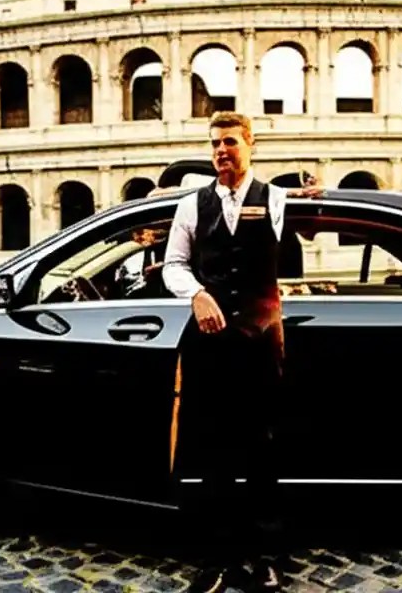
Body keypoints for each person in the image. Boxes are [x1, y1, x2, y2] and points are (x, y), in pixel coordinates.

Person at [162, 112, 322, 593]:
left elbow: (314, 226)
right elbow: (173, 264)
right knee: (211, 453)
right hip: (209, 344)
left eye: (230, 142)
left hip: (261, 342)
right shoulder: (192, 205)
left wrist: (314, 192)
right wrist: (195, 293)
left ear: (250, 144)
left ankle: (266, 560)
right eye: (214, 144)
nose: (221, 151)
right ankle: (217, 560)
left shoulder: (276, 199)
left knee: (262, 449)